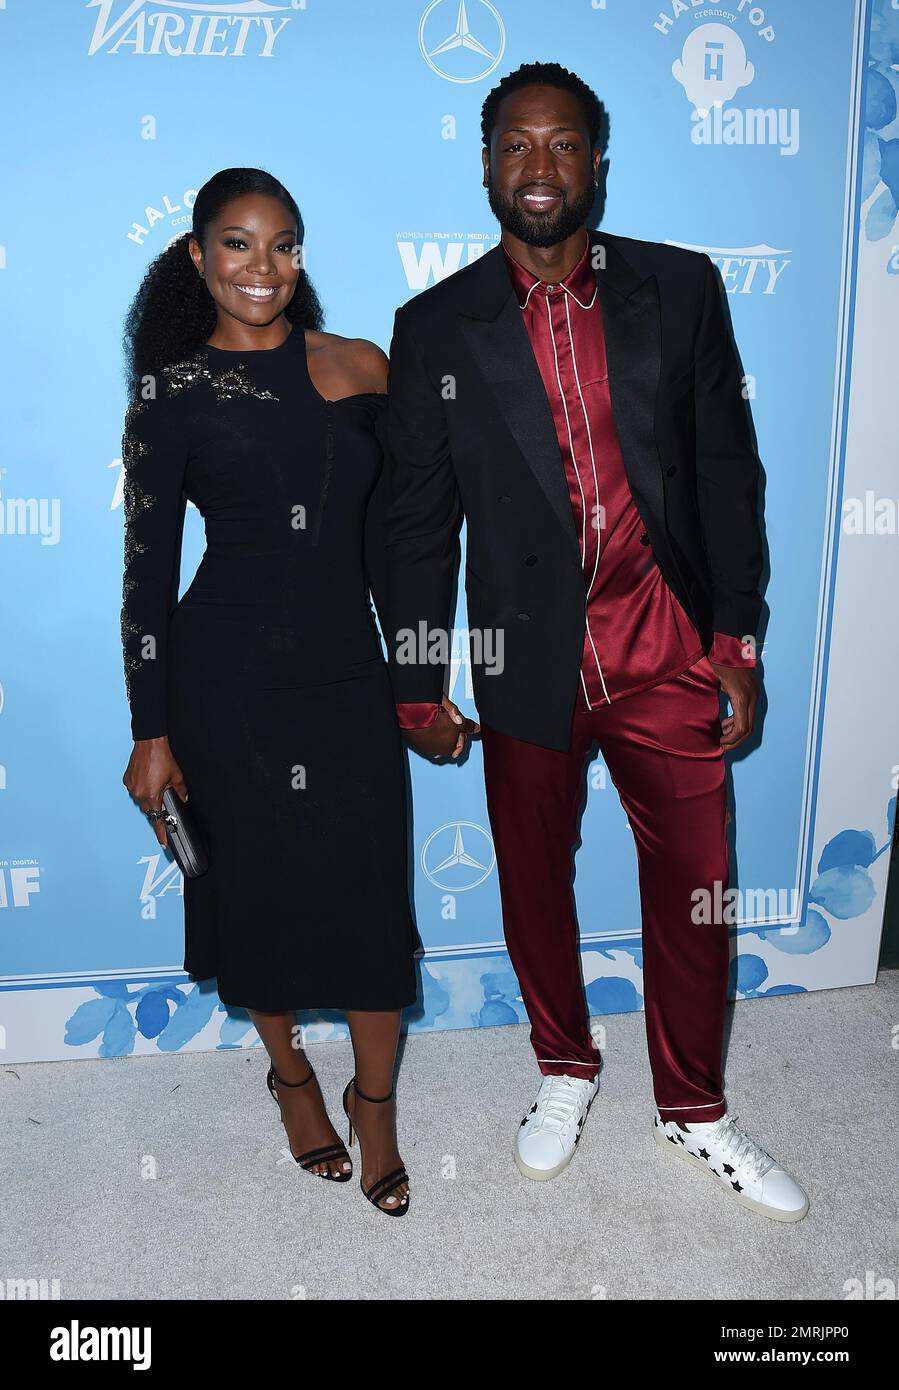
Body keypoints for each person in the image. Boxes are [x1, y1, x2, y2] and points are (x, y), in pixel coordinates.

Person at [383, 64, 808, 1221]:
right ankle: (563, 1067)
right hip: (526, 662)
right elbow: (415, 523)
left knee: (699, 885)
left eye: (562, 145)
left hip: (666, 644)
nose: (537, 168)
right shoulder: (435, 327)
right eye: (514, 145)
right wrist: (418, 681)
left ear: (596, 164)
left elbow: (727, 472)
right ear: (483, 165)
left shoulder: (677, 289)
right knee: (532, 881)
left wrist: (737, 640)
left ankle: (695, 1106)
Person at [120, 167, 464, 1216]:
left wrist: (420, 679)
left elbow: (403, 539)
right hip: (224, 677)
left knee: (365, 900)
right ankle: (289, 1076)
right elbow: (145, 572)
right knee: (252, 893)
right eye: (235, 243)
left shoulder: (361, 362)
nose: (260, 267)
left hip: (344, 671)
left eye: (282, 244)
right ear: (197, 256)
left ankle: (376, 1104)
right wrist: (152, 729)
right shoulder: (172, 395)